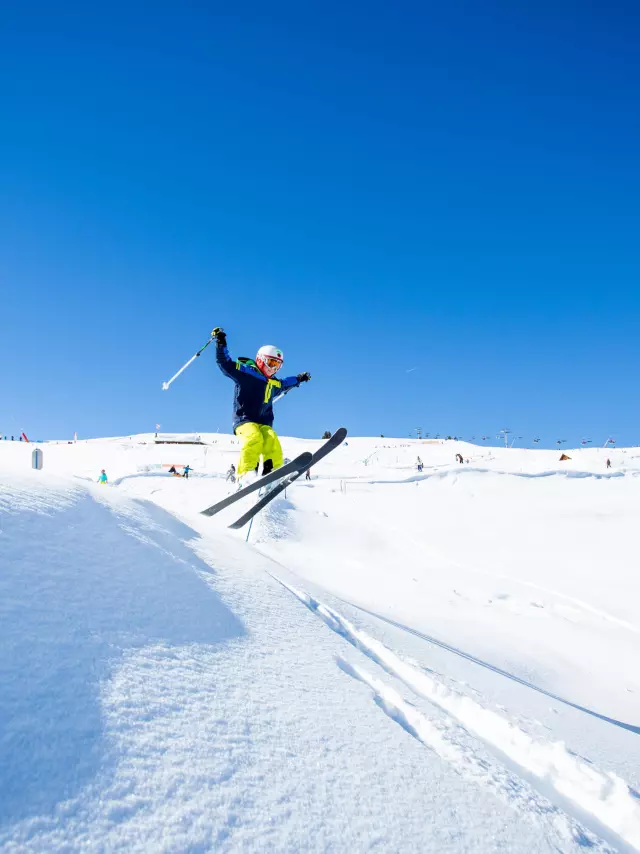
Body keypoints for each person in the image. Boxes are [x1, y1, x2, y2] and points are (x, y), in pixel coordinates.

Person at [212, 327, 310, 484]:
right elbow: (226, 364)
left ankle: (271, 475)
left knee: (272, 441)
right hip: (245, 420)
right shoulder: (247, 373)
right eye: (271, 363)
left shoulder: (274, 383)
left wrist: (299, 379)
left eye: (278, 366)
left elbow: (286, 383)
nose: (274, 368)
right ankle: (245, 476)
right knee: (254, 439)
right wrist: (221, 343)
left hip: (264, 422)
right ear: (260, 360)